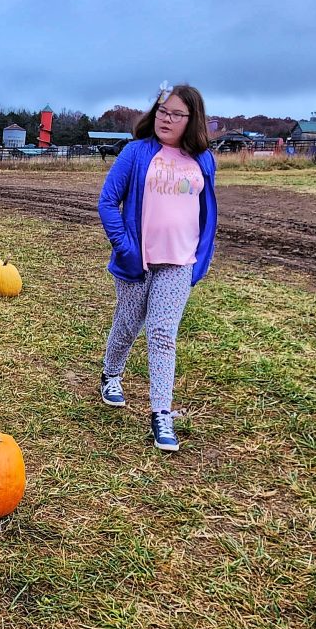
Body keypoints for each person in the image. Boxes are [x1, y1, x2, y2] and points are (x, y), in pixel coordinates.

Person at [96, 83, 217, 453]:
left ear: (191, 119)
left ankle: (161, 413)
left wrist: (202, 255)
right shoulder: (136, 152)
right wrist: (126, 247)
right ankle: (110, 374)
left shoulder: (203, 159)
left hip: (179, 262)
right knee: (129, 323)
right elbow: (107, 202)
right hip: (138, 261)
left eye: (177, 114)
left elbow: (207, 212)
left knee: (163, 334)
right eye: (163, 111)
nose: (167, 119)